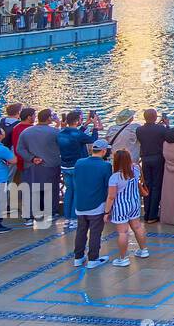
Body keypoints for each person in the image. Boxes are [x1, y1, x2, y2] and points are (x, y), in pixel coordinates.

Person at [71, 138, 113, 268]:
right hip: (96, 204)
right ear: (104, 151)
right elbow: (108, 186)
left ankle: (78, 257)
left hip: (80, 203)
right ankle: (93, 258)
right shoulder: (105, 166)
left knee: (81, 231)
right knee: (95, 232)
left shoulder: (79, 162)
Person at [105, 148, 150, 267]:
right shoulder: (135, 170)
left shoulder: (115, 177)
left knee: (122, 232)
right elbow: (135, 166)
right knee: (137, 227)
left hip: (121, 206)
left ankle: (123, 258)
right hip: (134, 203)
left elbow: (111, 196)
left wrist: (106, 212)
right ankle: (143, 250)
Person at [16, 109, 60, 227]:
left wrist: (31, 158)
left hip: (31, 166)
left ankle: (29, 216)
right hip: (50, 165)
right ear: (49, 118)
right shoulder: (55, 132)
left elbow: (20, 149)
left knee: (30, 191)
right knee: (52, 189)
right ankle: (50, 212)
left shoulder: (26, 132)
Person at [57, 110, 100, 228]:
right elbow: (93, 140)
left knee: (69, 192)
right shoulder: (77, 134)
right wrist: (95, 126)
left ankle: (67, 218)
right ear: (76, 121)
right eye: (81, 119)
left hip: (65, 166)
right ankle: (74, 219)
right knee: (77, 192)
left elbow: (76, 134)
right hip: (77, 166)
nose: (82, 120)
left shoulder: (61, 133)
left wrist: (85, 124)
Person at [134, 108, 169, 224]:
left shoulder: (139, 130)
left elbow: (149, 133)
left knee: (147, 185)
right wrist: (166, 125)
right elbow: (169, 137)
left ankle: (147, 213)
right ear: (155, 117)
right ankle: (153, 215)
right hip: (158, 159)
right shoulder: (161, 129)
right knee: (156, 186)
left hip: (145, 159)